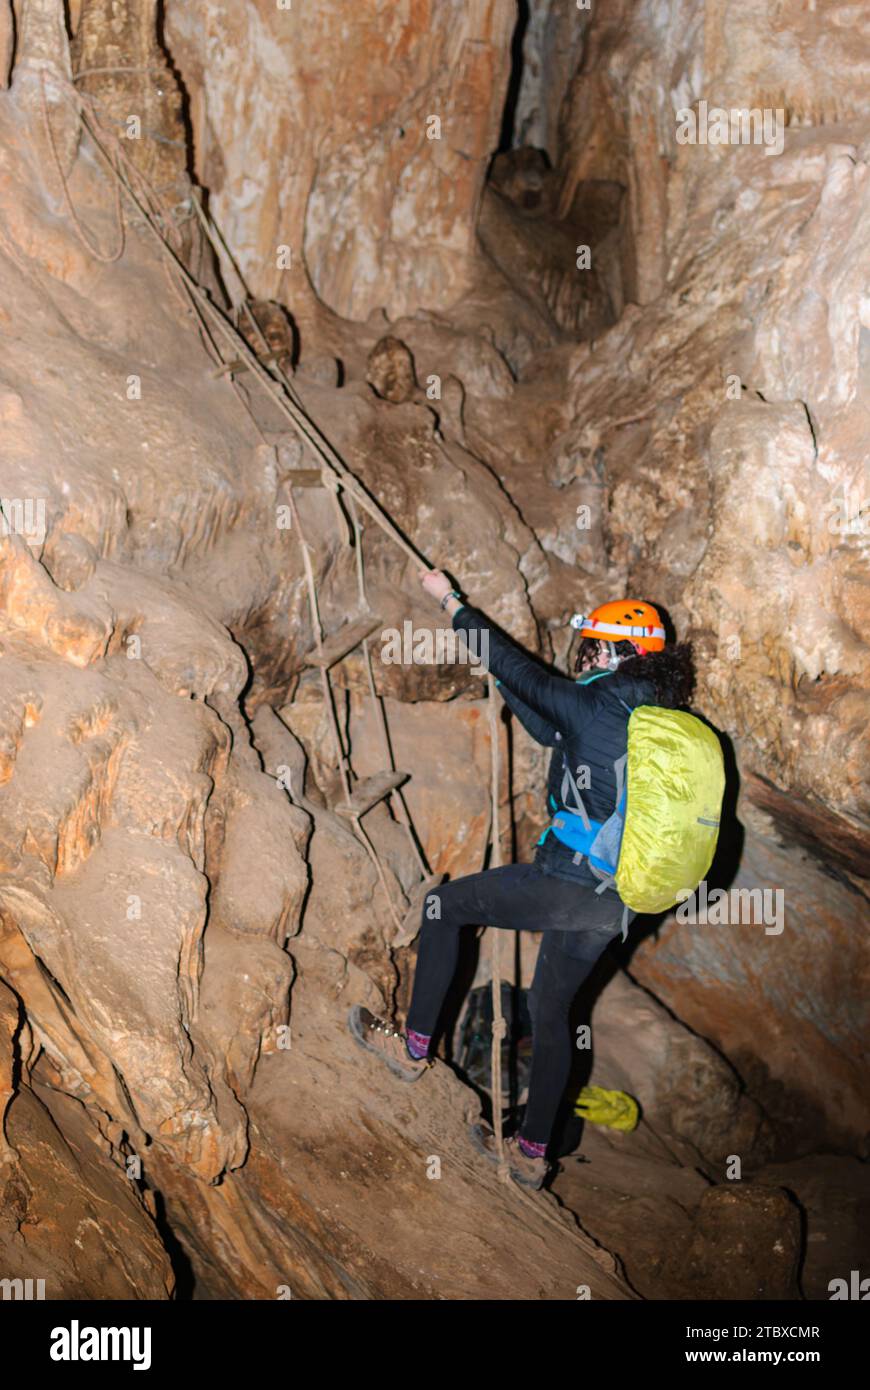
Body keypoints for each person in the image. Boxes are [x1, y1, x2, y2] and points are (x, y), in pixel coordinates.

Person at [349, 572, 694, 1188]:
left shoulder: (601, 702)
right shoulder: (650, 714)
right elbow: (547, 723)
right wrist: (504, 679)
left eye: (592, 647)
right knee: (551, 1006)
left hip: (568, 883)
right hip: (616, 903)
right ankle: (533, 1151)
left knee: (443, 909)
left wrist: (451, 603)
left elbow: (528, 675)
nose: (583, 656)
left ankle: (412, 1049)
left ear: (620, 653)